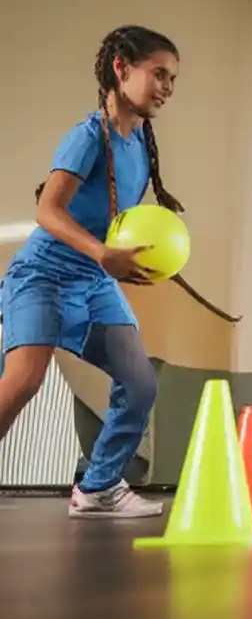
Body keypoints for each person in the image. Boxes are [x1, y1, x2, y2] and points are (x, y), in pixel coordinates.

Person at [0, 26, 186, 518]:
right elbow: (48, 211)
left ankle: (99, 487)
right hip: (42, 276)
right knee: (23, 381)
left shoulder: (141, 141)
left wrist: (133, 255)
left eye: (173, 79)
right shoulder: (86, 138)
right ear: (121, 68)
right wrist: (103, 254)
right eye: (159, 74)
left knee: (140, 382)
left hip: (94, 282)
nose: (167, 87)